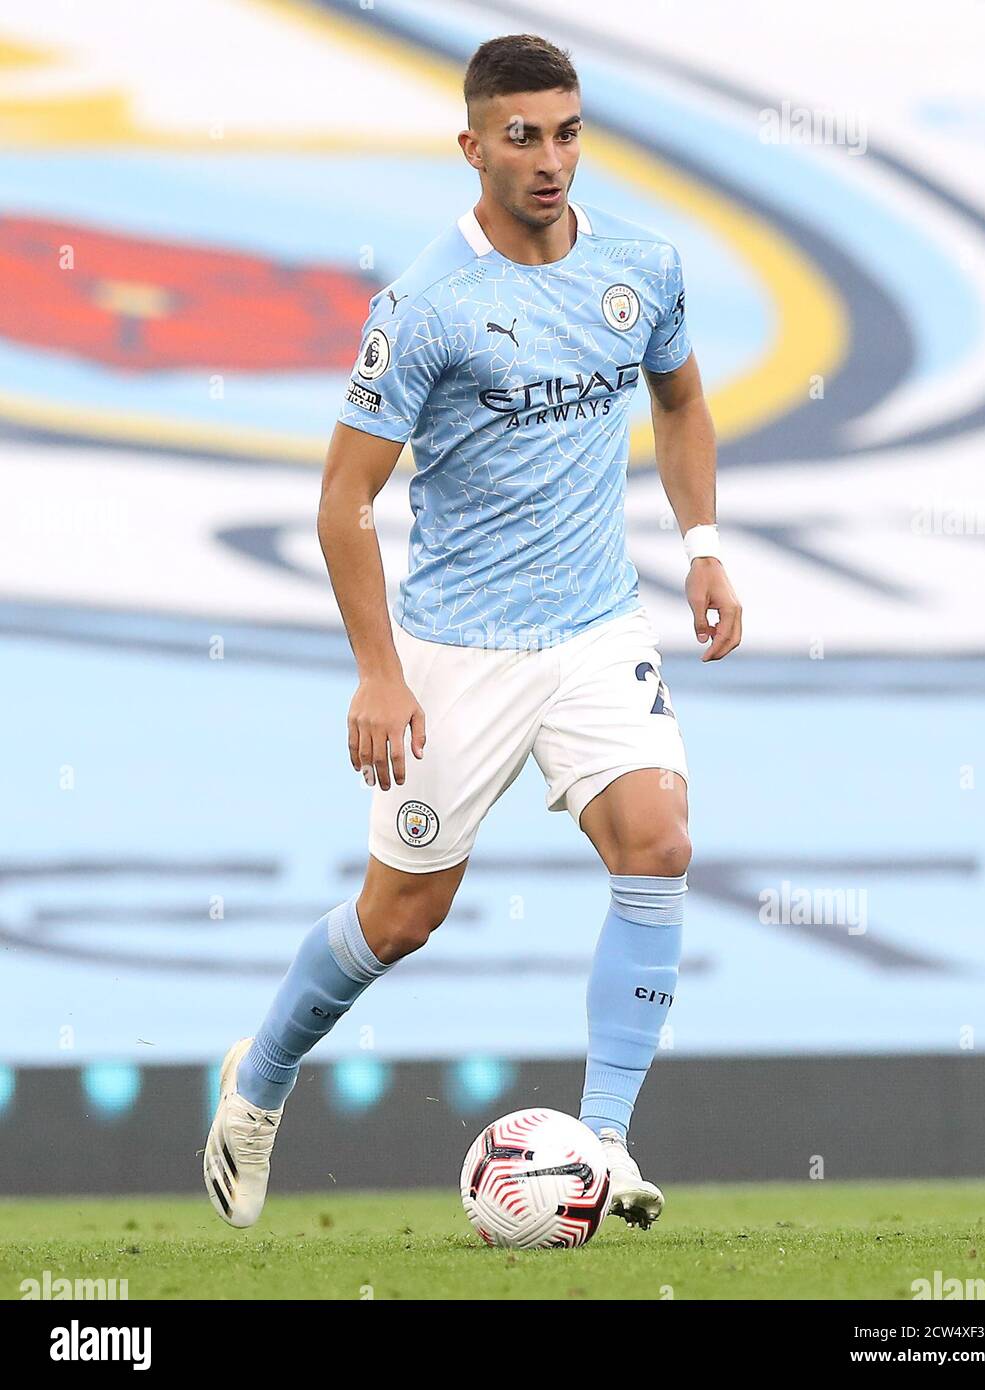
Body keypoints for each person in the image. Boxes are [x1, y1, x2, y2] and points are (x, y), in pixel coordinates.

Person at [204, 32, 742, 1232]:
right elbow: (343, 500)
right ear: (472, 147)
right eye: (522, 137)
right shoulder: (426, 308)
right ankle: (260, 1079)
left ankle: (602, 1142)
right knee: (402, 918)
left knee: (657, 843)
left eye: (566, 132)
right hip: (459, 649)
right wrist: (380, 675)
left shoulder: (643, 267)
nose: (550, 159)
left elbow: (683, 395)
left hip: (599, 626)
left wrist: (703, 544)